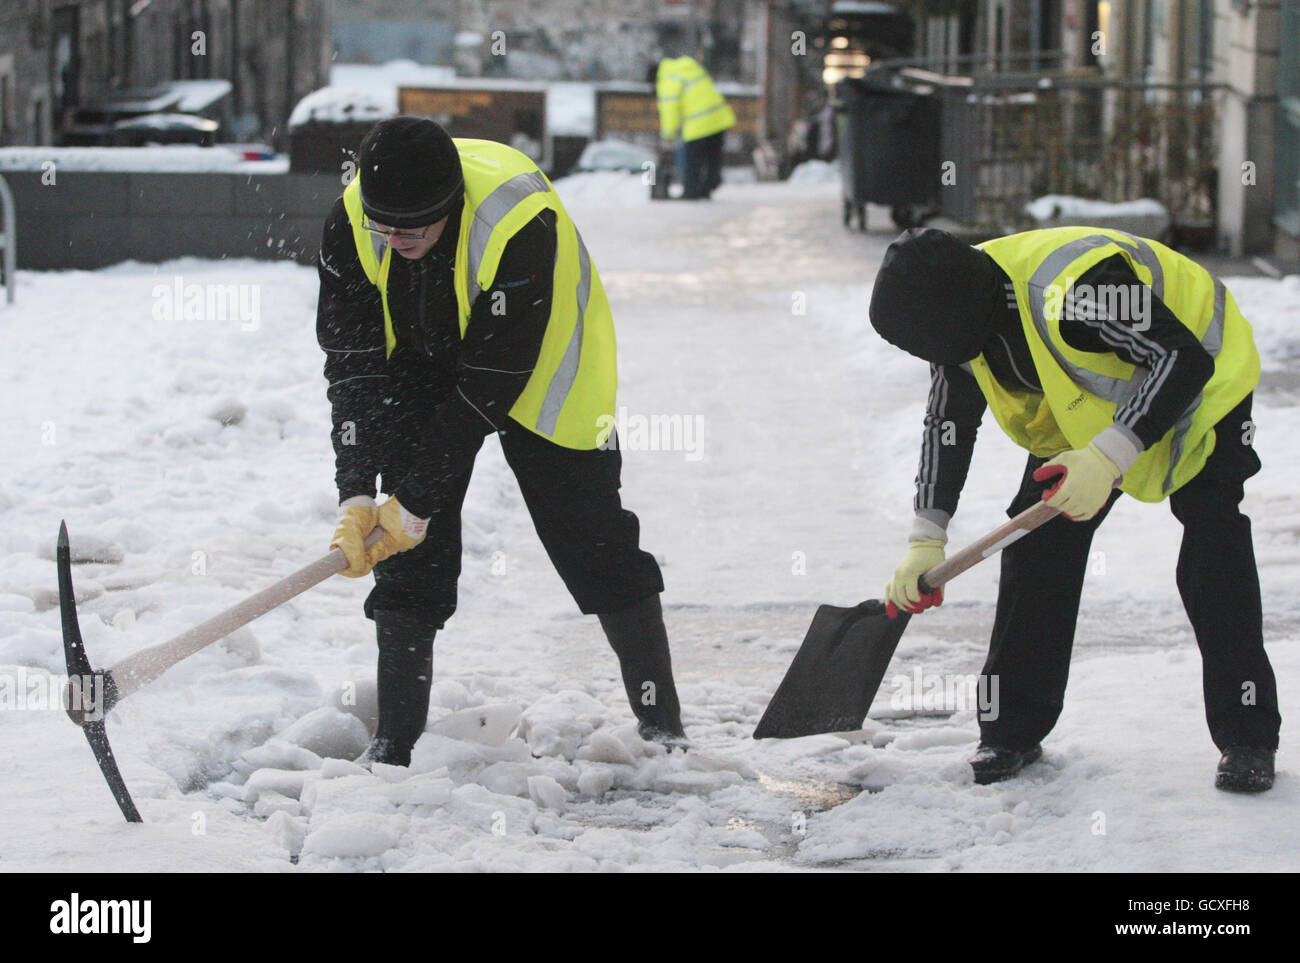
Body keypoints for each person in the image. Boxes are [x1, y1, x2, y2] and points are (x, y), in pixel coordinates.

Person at [317, 117, 687, 766]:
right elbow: (352, 361)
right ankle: (395, 741)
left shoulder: (517, 217)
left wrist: (418, 497)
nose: (394, 240)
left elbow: (488, 384)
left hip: (541, 365)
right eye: (385, 227)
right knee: (407, 558)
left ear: (448, 208)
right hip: (419, 362)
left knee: (592, 539)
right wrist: (357, 490)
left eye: (411, 229)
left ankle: (663, 725)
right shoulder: (355, 219)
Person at [869, 226, 1280, 792]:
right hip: (1091, 409)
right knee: (1037, 546)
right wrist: (925, 537)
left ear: (966, 318)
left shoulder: (1076, 290)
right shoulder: (953, 306)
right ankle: (1011, 730)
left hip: (1205, 381)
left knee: (1213, 543)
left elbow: (1181, 360)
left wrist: (1110, 455)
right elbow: (949, 423)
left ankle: (1248, 736)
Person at [655, 46, 735, 200]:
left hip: (698, 122)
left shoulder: (668, 79)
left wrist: (667, 136)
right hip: (719, 117)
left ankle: (691, 191)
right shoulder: (688, 68)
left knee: (692, 159)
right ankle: (709, 183)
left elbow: (670, 111)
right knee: (713, 156)